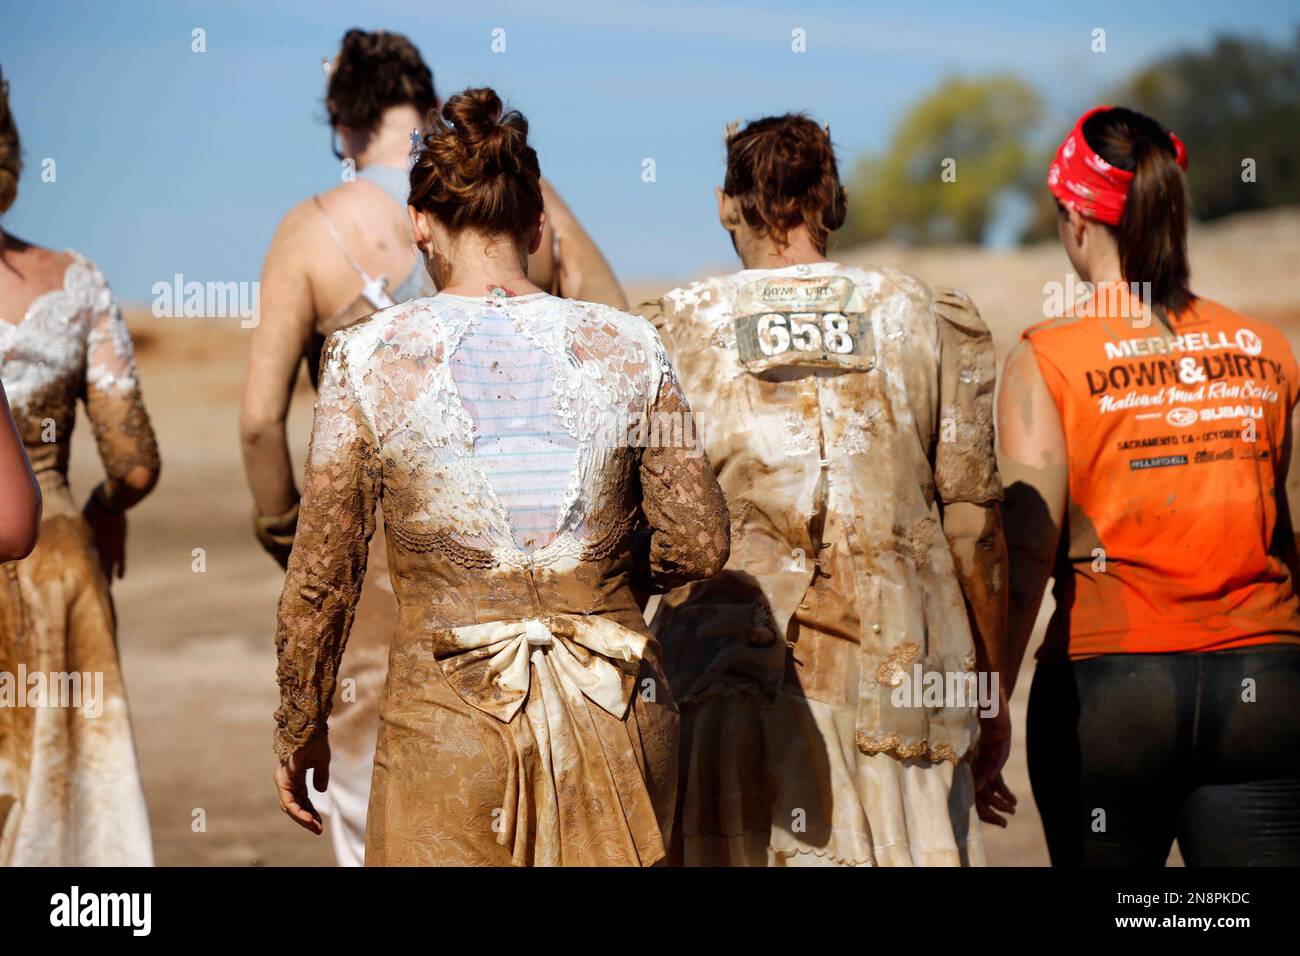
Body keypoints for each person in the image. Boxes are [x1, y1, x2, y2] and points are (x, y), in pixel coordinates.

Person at [272, 87, 729, 866]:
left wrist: (300, 720)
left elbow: (325, 572)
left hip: (449, 722)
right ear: (537, 224)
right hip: (616, 706)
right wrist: (604, 587)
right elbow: (702, 542)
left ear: (421, 224)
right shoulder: (629, 344)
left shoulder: (367, 355)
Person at [239, 29, 627, 866]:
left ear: (342, 126)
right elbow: (613, 315)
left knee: (390, 814)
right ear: (424, 97)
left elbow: (260, 420)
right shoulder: (515, 193)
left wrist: (286, 534)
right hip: (551, 566)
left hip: (392, 578)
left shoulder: (312, 230)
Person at [637, 115, 1008, 866]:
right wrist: (990, 695)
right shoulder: (920, 313)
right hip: (903, 682)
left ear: (724, 203)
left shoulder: (676, 327)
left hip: (722, 680)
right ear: (830, 200)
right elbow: (976, 531)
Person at [999, 105, 1300, 866]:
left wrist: (985, 705)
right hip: (1266, 689)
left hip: (1113, 697)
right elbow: (1281, 531)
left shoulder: (1048, 357)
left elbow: (1026, 557)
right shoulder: (1266, 349)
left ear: (1075, 219)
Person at [0, 66, 160, 865]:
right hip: (58, 554)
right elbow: (134, 461)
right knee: (73, 802)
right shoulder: (74, 281)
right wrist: (101, 514)